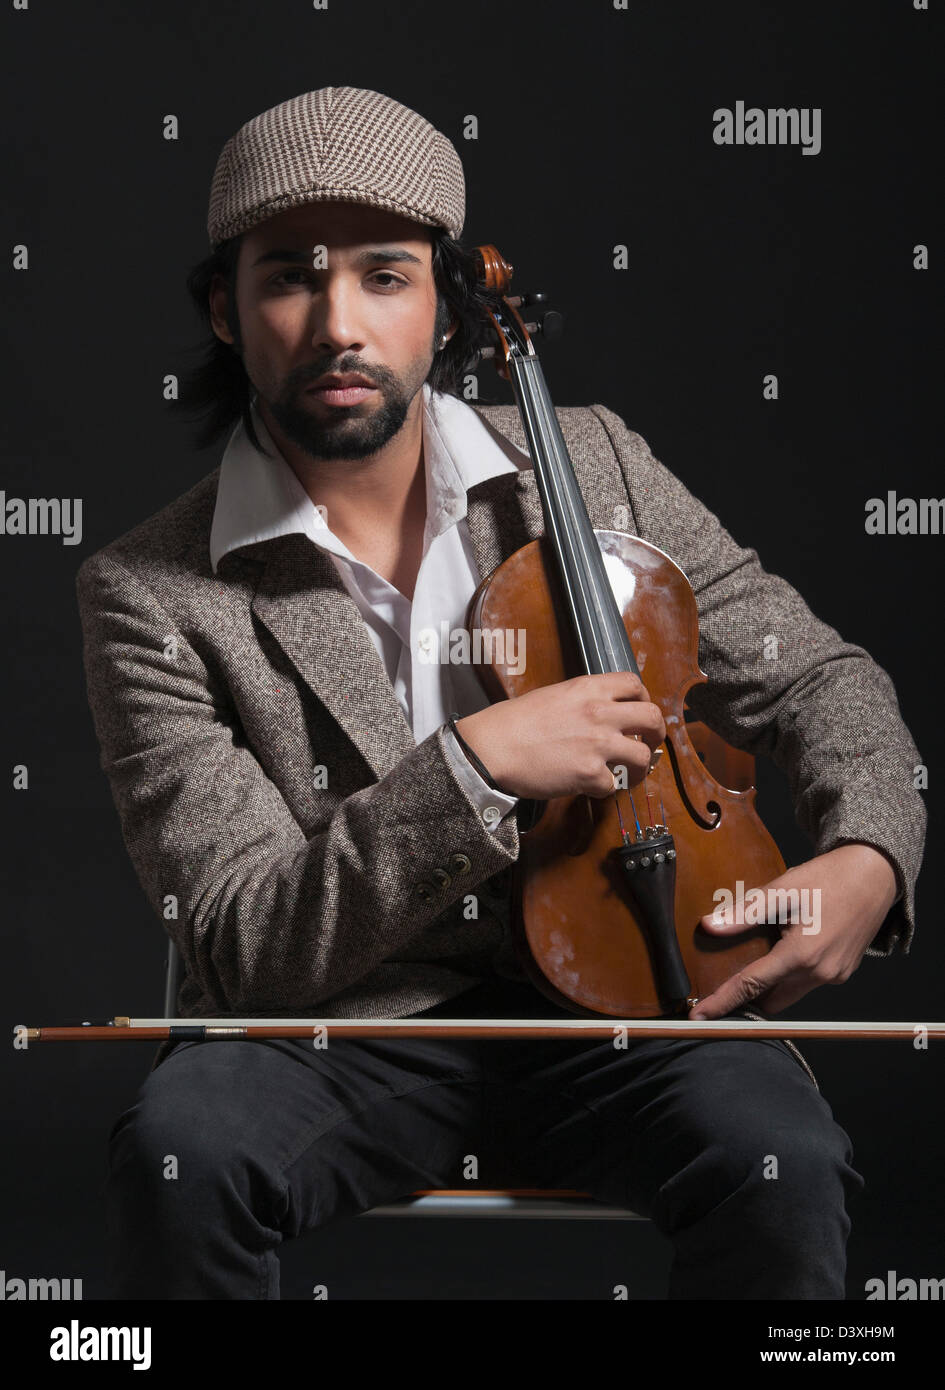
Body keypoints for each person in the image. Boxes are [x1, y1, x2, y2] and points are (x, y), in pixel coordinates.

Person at [76, 86, 925, 1300]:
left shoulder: (598, 467)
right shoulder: (152, 592)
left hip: (637, 996)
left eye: (384, 275)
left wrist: (873, 855)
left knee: (781, 1161)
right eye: (287, 279)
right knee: (183, 1153)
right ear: (226, 309)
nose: (337, 326)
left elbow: (826, 680)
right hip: (342, 1030)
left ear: (446, 305)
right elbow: (244, 939)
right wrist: (475, 766)